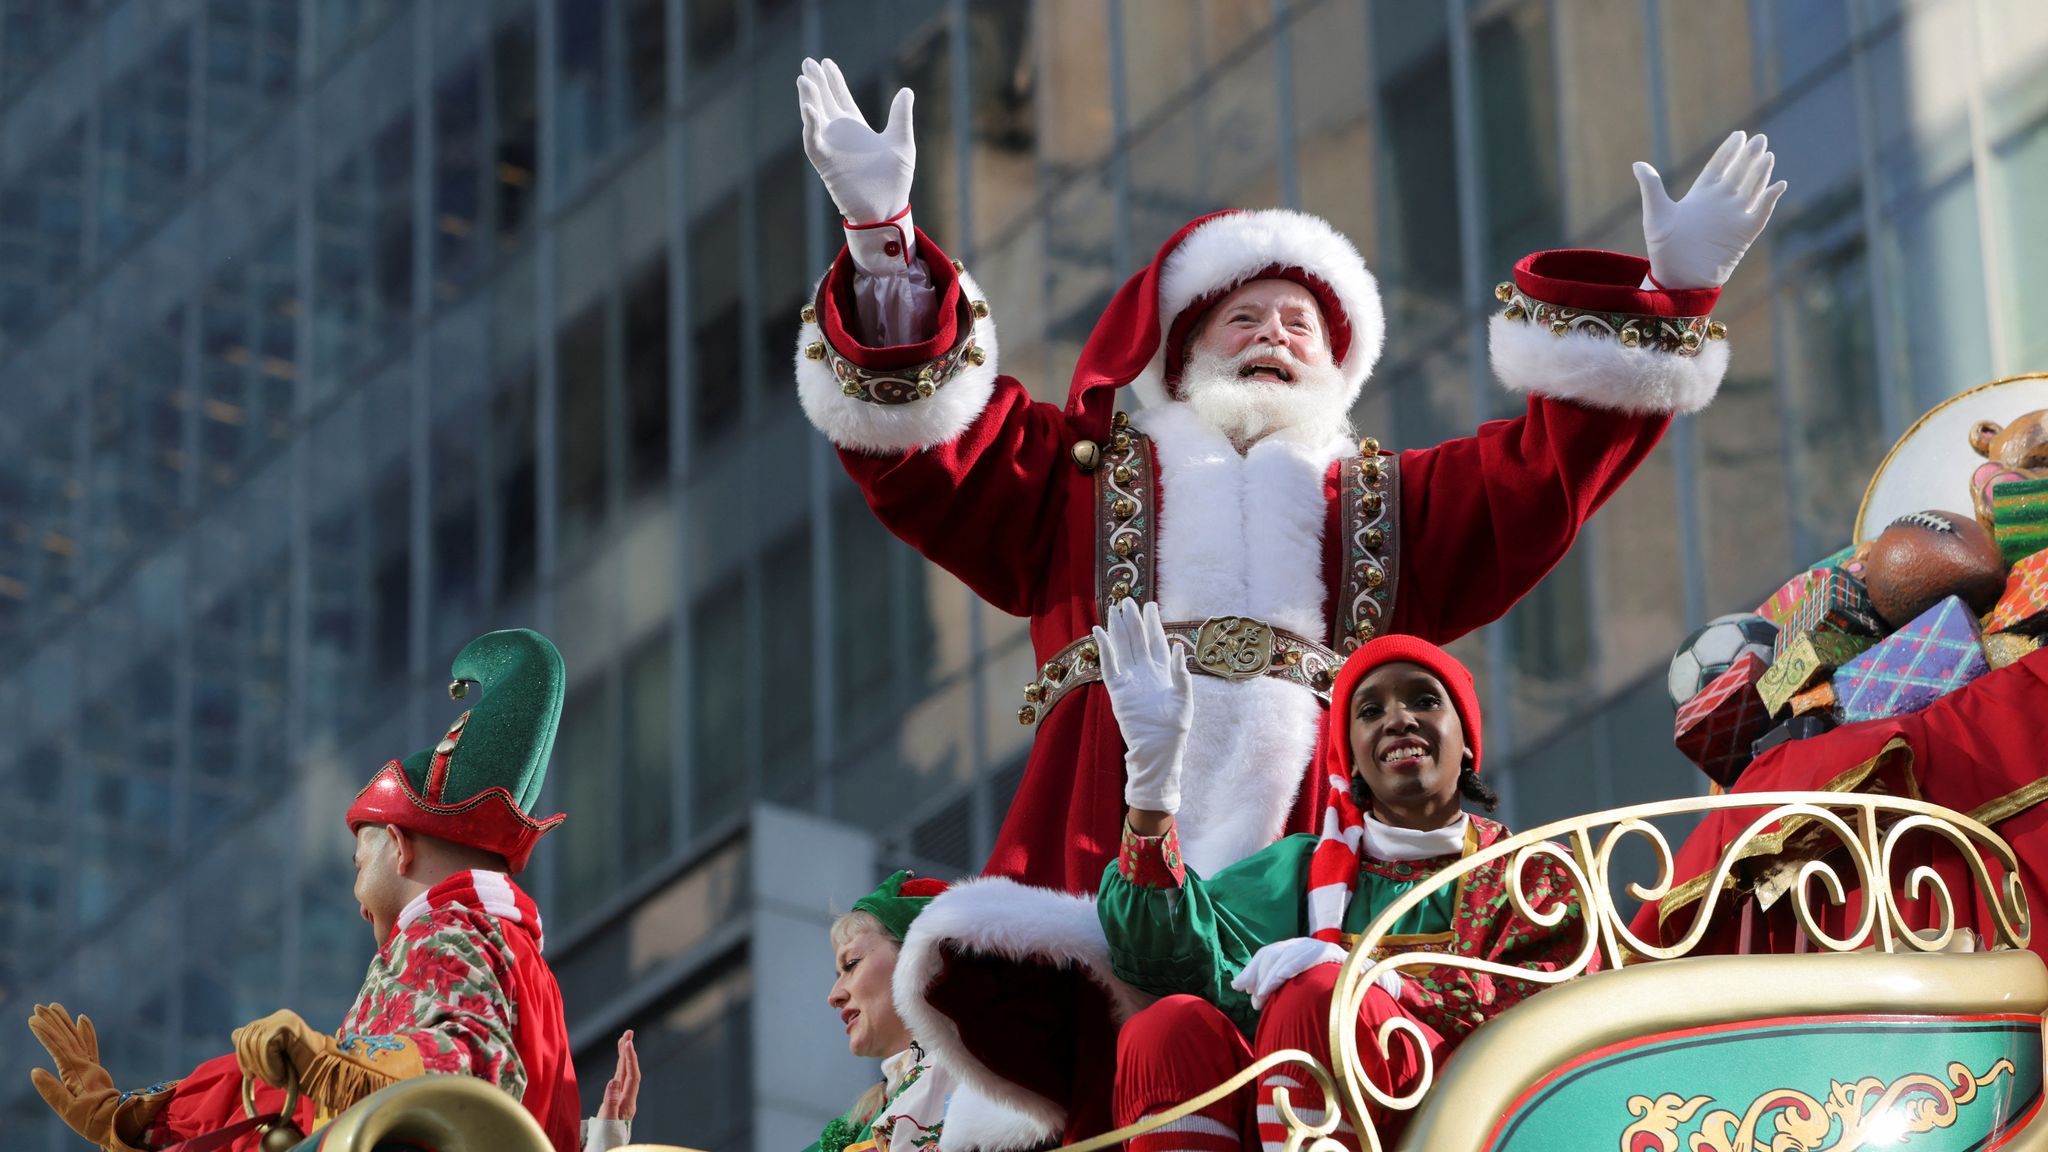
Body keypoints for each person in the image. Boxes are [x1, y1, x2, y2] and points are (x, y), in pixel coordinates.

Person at [792, 55, 1784, 900]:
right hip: (1099, 823)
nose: (1271, 332)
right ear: (1179, 359)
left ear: (1334, 369)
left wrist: (1671, 297)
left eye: (1297, 325)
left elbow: (1544, 474)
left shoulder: (1384, 504)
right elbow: (929, 451)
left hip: (1315, 840)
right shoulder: (1076, 480)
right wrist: (883, 241)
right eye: (1243, 319)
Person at [28, 629, 582, 1152]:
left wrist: (324, 1061)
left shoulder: (447, 933)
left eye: (359, 862)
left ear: (399, 845)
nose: (358, 897)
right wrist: (141, 1119)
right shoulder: (519, 963)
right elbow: (287, 1101)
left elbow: (465, 1071)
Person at [1095, 602, 1595, 1151]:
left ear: (1468, 741)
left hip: (1461, 1122)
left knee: (1319, 993)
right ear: (1352, 760)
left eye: (1425, 700)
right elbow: (1174, 954)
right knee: (1166, 1026)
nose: (1398, 719)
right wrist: (1151, 792)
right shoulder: (1299, 870)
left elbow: (1553, 1016)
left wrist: (1377, 982)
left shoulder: (1528, 873)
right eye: (1370, 711)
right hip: (1288, 1111)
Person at [582, 870, 958, 1152]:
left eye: (852, 963)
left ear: (918, 959)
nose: (834, 995)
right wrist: (611, 1146)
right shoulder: (863, 1122)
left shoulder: (990, 1083)